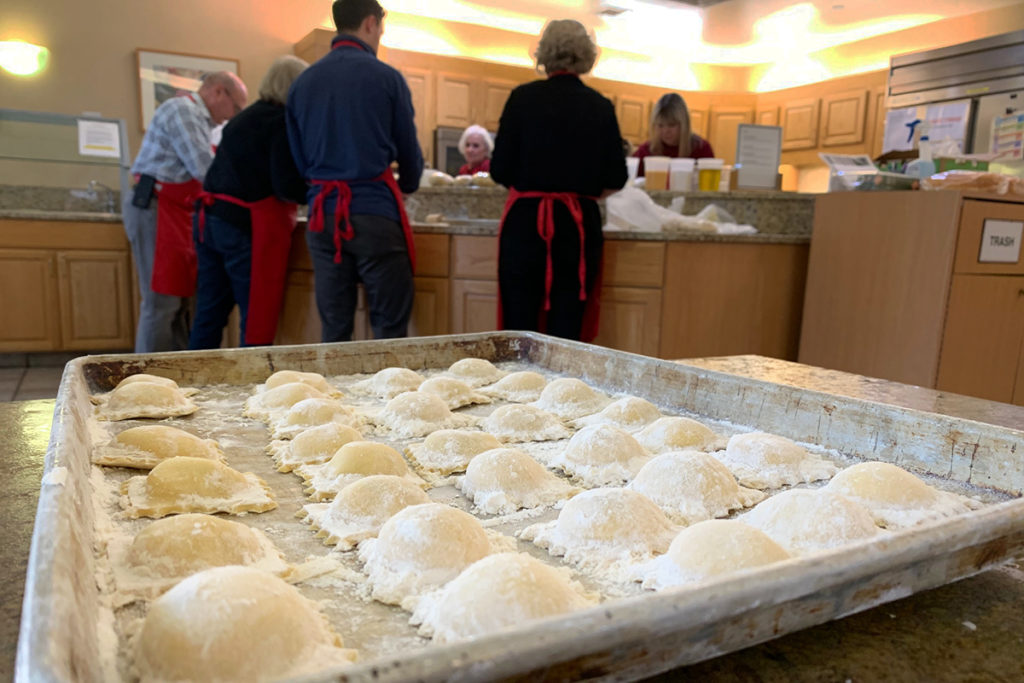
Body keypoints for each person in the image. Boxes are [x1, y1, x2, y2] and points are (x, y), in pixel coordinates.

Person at [286, 0, 423, 343]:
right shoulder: (387, 78)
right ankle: (389, 394)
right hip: (375, 214)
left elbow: (299, 161)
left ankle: (336, 397)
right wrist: (406, 183)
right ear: (370, 23)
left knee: (335, 329)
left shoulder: (303, 82)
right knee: (389, 328)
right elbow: (409, 154)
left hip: (323, 217)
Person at [490, 19, 626, 342]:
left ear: (543, 54)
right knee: (569, 329)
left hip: (523, 227)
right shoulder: (600, 106)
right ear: (586, 55)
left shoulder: (521, 99)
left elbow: (499, 170)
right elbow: (616, 177)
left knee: (519, 329)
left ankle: (517, 390)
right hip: (576, 230)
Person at [189, 56, 309, 350]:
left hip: (209, 220)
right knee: (254, 314)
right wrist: (314, 192)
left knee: (209, 313)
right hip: (244, 226)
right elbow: (284, 185)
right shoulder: (281, 122)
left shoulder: (243, 118)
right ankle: (254, 388)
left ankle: (196, 386)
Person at [124, 70, 248, 353]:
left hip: (176, 212)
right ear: (218, 92)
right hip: (155, 207)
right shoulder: (183, 111)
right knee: (161, 302)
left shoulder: (201, 120)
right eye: (236, 108)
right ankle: (147, 379)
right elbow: (206, 170)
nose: (232, 116)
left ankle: (175, 374)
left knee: (178, 300)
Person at [632, 92, 714, 177]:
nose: (665, 131)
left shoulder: (701, 149)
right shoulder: (646, 151)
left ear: (684, 125)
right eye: (660, 125)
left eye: (671, 125)